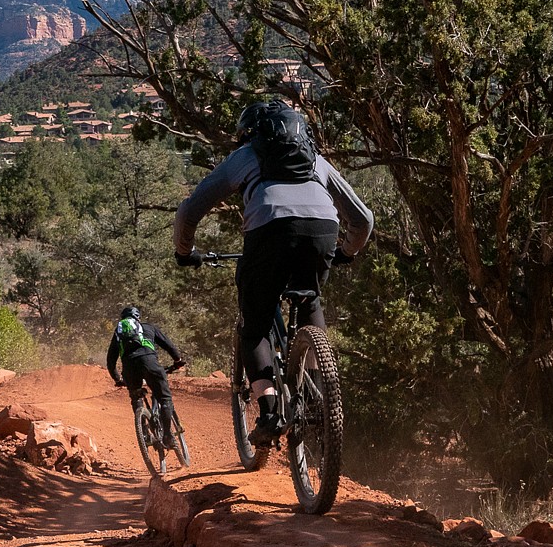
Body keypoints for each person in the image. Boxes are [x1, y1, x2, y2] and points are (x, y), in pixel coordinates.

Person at [173, 100, 373, 449]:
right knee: (310, 298)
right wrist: (346, 252)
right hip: (323, 231)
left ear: (248, 134)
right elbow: (364, 219)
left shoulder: (246, 155)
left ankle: (269, 414)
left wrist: (184, 252)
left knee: (255, 326)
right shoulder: (316, 160)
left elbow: (190, 210)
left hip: (269, 232)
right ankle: (315, 391)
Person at [106, 305, 185, 449]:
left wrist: (117, 379)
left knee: (136, 398)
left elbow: (111, 360)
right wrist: (178, 360)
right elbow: (169, 345)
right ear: (138, 318)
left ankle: (145, 435)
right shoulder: (149, 328)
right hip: (150, 365)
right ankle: (168, 436)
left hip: (129, 370)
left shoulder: (119, 334)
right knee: (165, 398)